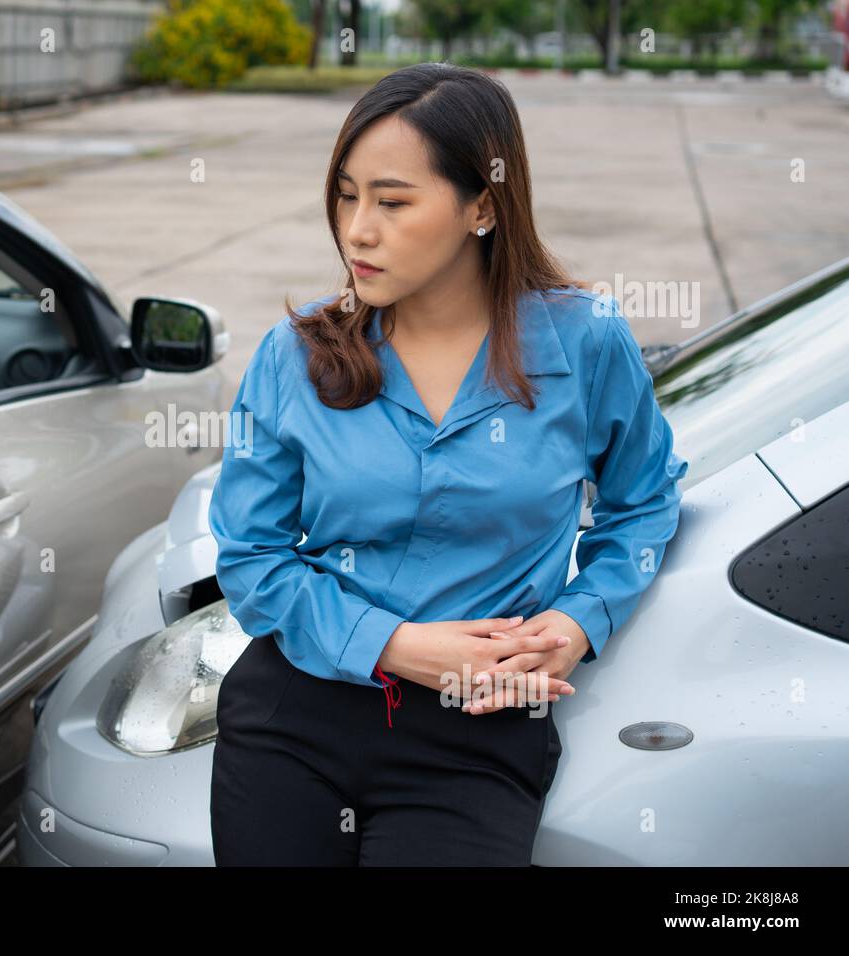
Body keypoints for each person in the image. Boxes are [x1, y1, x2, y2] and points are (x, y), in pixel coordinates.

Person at [207, 62, 689, 866]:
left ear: (484, 206)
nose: (358, 228)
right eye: (346, 194)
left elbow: (643, 504)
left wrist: (578, 621)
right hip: (294, 720)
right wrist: (395, 645)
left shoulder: (584, 339)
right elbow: (251, 558)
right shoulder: (294, 357)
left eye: (393, 202)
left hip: (479, 740)